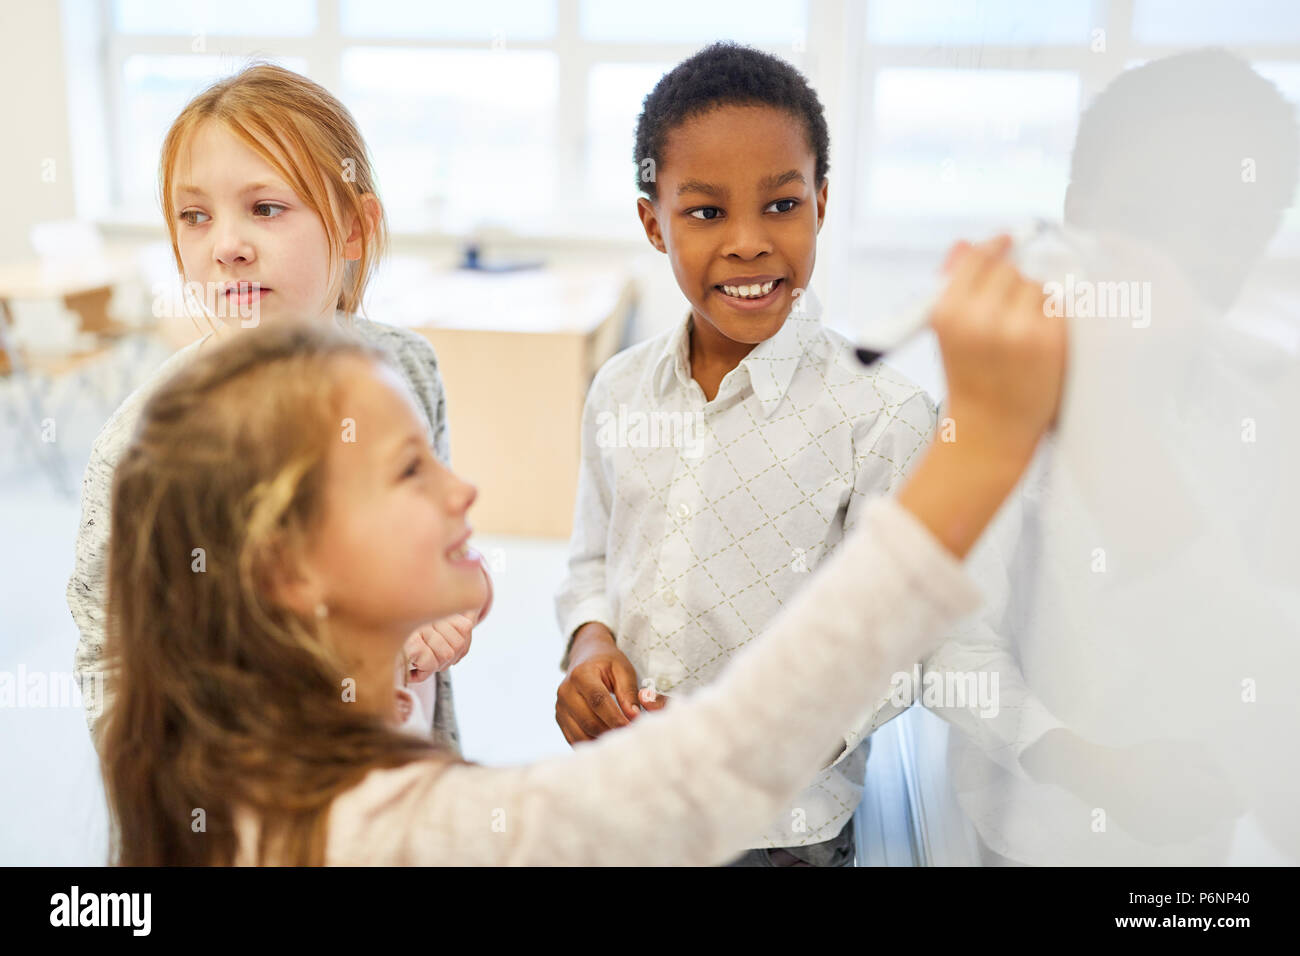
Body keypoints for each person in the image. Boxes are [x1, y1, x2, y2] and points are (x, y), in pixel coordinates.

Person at [99, 236, 1067, 865]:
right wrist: (981, 443)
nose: (463, 487)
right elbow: (720, 762)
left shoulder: (255, 753)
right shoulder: (393, 830)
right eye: (408, 471)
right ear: (287, 569)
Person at [553, 42, 934, 866]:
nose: (750, 243)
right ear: (652, 222)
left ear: (822, 204)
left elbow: (902, 649)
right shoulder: (620, 391)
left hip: (778, 837)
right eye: (705, 212)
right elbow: (591, 559)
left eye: (782, 205)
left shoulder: (883, 416)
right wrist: (590, 646)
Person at [66, 63, 488, 753]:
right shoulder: (145, 443)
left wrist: (442, 601)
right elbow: (110, 659)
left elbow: (438, 543)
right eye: (195, 216)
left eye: (265, 208)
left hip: (407, 773)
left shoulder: (408, 367)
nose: (226, 246)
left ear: (354, 228)